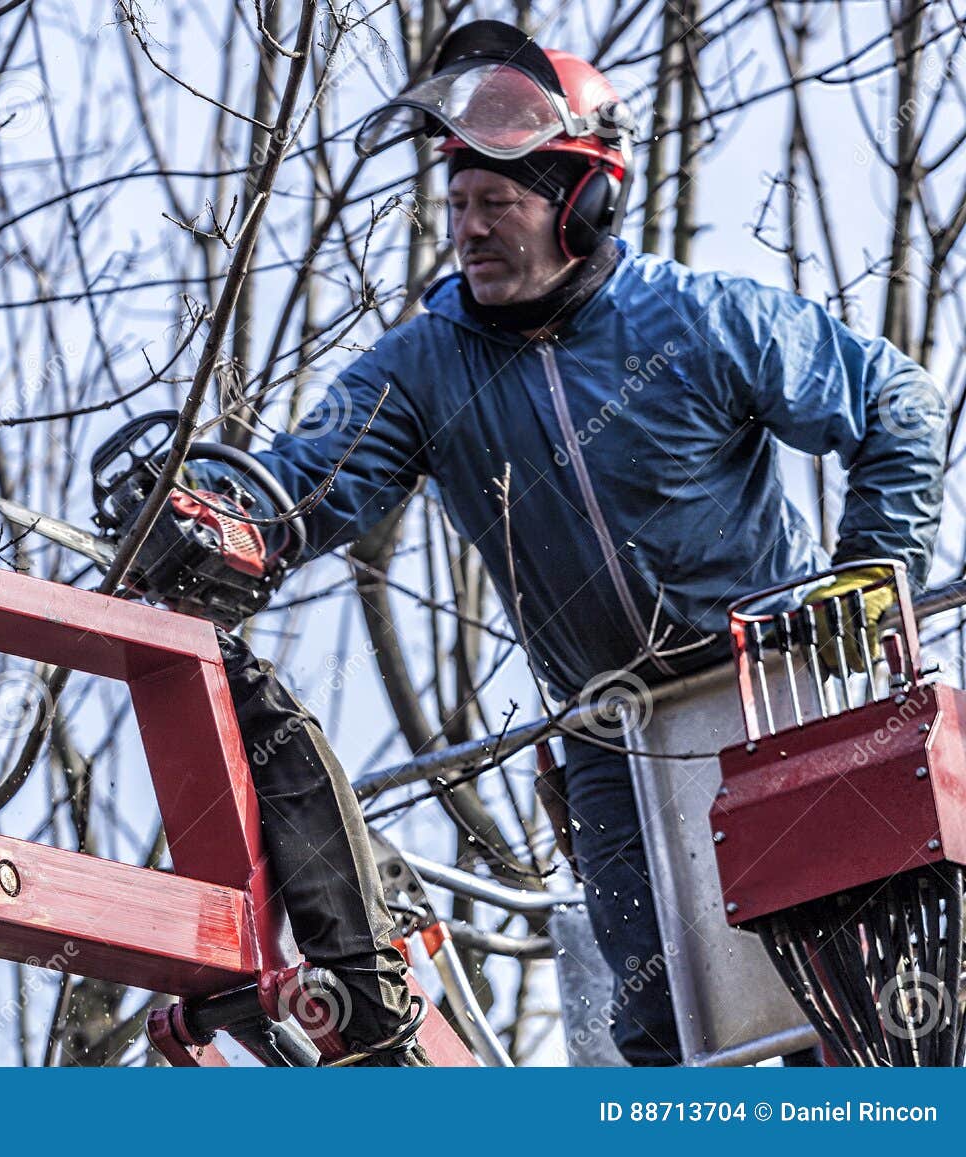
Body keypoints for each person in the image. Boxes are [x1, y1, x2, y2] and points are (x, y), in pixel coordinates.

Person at [154, 19, 946, 1066]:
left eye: (497, 204)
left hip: (778, 702)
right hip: (615, 732)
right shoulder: (422, 368)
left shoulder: (700, 323)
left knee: (855, 993)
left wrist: (868, 572)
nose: (469, 231)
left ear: (580, 204)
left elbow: (894, 401)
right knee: (667, 1026)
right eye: (458, 206)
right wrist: (213, 515)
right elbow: (310, 483)